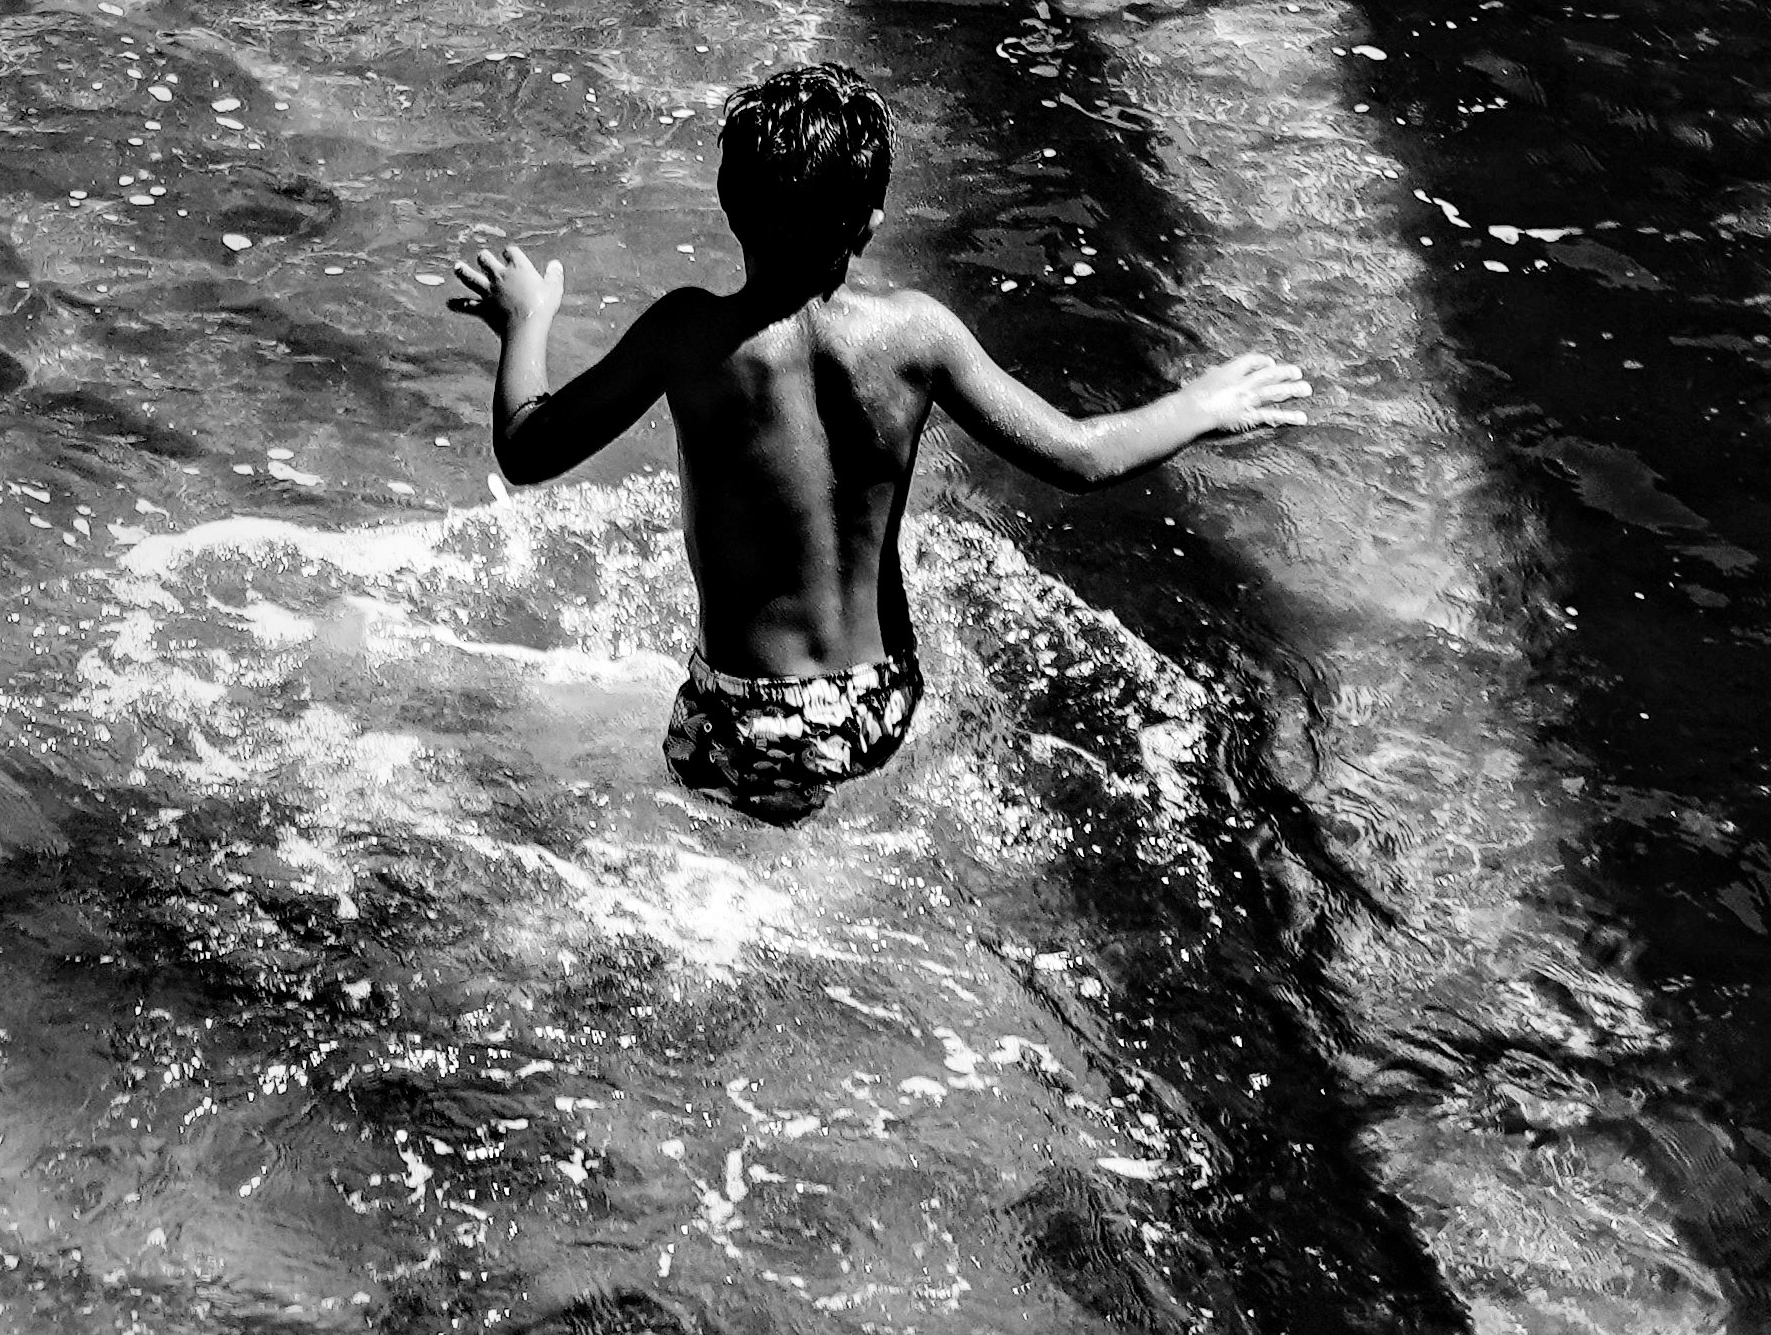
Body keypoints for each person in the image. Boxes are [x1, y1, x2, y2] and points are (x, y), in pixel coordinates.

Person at [439, 62, 1308, 822]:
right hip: (876, 704)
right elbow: (1081, 456)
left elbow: (526, 448)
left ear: (727, 204)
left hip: (739, 720)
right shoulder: (916, 337)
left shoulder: (686, 335)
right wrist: (1198, 404)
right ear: (872, 219)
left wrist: (527, 319)